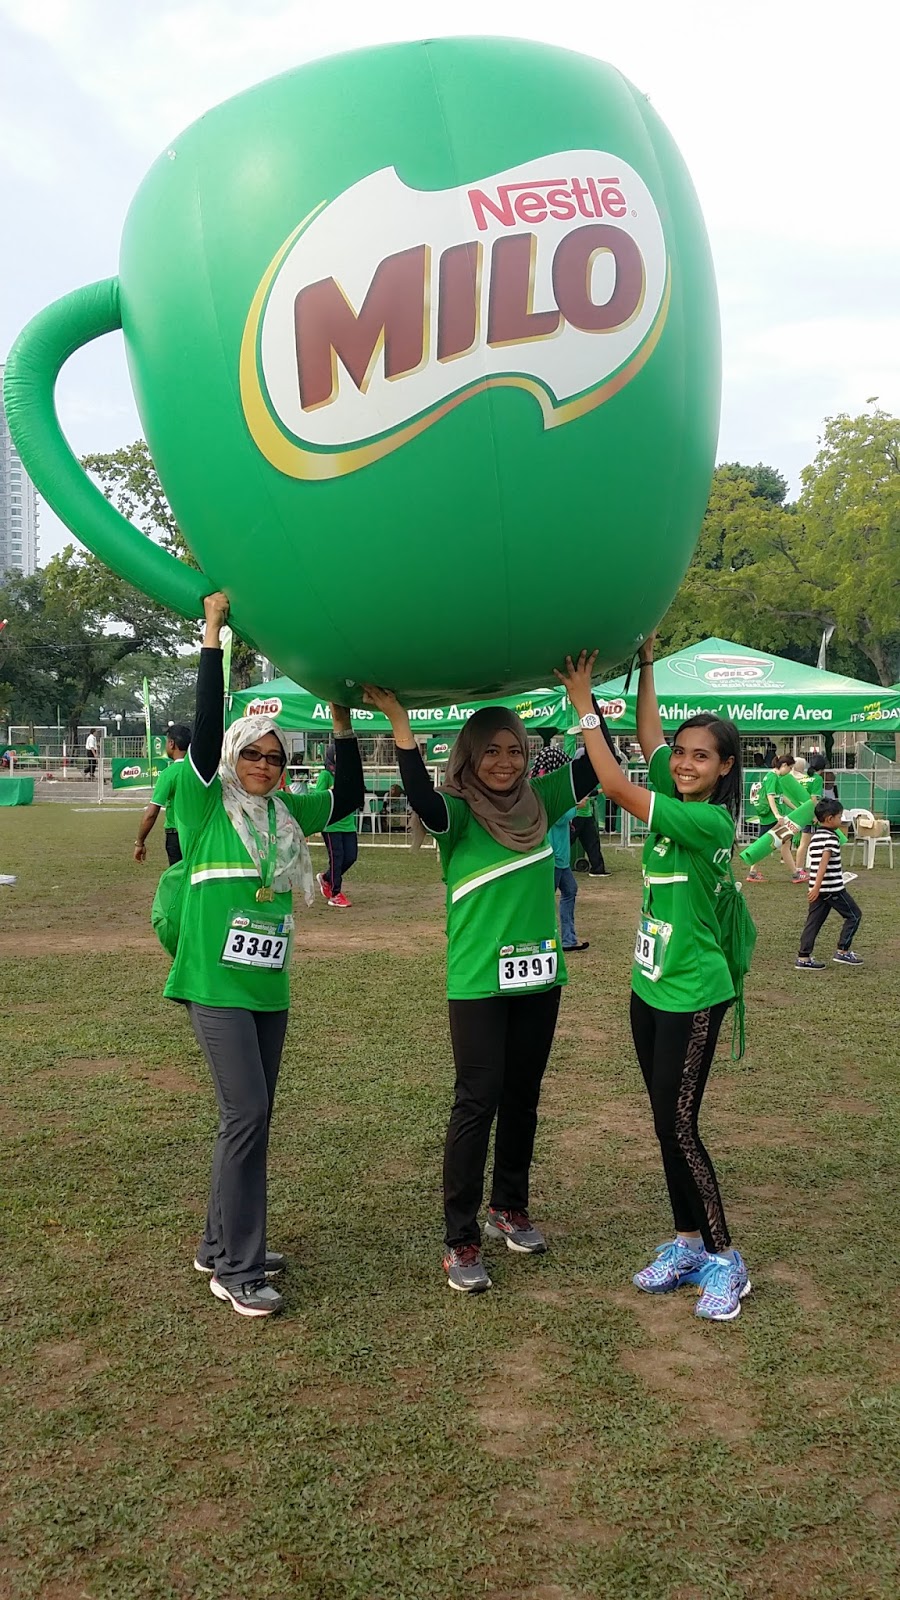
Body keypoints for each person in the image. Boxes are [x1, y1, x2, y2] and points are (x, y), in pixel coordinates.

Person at [364, 662, 607, 1294]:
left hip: (540, 976)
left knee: (523, 1096)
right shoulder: (459, 813)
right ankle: (461, 1239)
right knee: (478, 1100)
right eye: (491, 750)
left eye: (515, 751)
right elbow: (419, 798)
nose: (504, 762)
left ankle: (509, 1207)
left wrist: (583, 700)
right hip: (477, 982)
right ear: (470, 756)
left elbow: (594, 764)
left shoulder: (544, 800)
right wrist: (401, 725)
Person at [167, 592, 363, 1317]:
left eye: (275, 757)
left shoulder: (286, 813)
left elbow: (344, 796)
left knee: (249, 1117)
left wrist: (341, 726)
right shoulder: (205, 804)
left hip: (267, 989)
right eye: (252, 753)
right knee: (245, 1114)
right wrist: (213, 639)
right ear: (229, 756)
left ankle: (218, 1243)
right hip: (214, 984)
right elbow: (210, 725)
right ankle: (239, 1270)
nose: (263, 763)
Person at [553, 639, 751, 1322]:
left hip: (696, 992)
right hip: (649, 985)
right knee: (665, 1124)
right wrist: (644, 666)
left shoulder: (706, 820)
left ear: (725, 769)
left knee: (682, 1125)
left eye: (703, 756)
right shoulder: (674, 784)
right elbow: (645, 738)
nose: (687, 762)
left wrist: (583, 705)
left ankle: (727, 1259)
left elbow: (612, 782)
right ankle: (688, 1243)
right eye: (684, 753)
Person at [795, 798, 863, 969]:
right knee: (854, 915)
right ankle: (843, 951)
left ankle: (803, 957)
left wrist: (814, 887)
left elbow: (816, 863)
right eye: (839, 817)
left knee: (813, 922)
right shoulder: (831, 839)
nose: (841, 820)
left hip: (818, 889)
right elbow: (823, 863)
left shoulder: (816, 836)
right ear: (830, 818)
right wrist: (817, 887)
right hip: (832, 889)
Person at [532, 747, 588, 954]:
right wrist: (575, 804)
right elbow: (561, 817)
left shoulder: (545, 787)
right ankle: (544, 940)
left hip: (560, 858)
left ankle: (567, 939)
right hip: (553, 857)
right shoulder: (549, 792)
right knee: (546, 901)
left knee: (569, 891)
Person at [134, 725, 191, 866]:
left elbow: (151, 813)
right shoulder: (200, 773)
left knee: (178, 878)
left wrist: (139, 842)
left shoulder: (169, 774)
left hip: (176, 835)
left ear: (171, 744)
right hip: (200, 834)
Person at [314, 743, 359, 908]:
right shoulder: (325, 775)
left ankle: (326, 878)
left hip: (348, 824)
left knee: (351, 857)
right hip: (331, 825)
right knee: (337, 859)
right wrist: (333, 790)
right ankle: (335, 893)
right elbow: (318, 796)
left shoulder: (349, 774)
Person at [745, 754, 796, 883]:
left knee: (769, 843)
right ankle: (795, 873)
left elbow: (781, 797)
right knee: (773, 844)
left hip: (770, 817)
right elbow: (770, 796)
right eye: (790, 768)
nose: (790, 771)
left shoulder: (773, 776)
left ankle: (753, 872)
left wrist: (795, 808)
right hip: (772, 817)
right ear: (784, 765)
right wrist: (777, 815)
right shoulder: (772, 777)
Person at [792, 754, 826, 882]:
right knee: (808, 843)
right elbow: (814, 798)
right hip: (811, 814)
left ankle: (801, 868)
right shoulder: (817, 779)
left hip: (802, 812)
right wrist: (816, 815)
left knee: (805, 843)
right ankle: (800, 869)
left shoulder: (804, 778)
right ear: (822, 768)